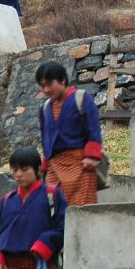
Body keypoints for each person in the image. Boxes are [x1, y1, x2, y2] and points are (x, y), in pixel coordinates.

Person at [36, 62, 104, 207]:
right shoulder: (44, 108)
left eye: (49, 84)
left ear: (62, 80)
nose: (46, 90)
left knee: (82, 210)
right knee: (53, 210)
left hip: (81, 165)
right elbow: (45, 139)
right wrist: (45, 166)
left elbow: (94, 129)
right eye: (42, 86)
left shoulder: (81, 98)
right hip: (53, 168)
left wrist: (92, 156)